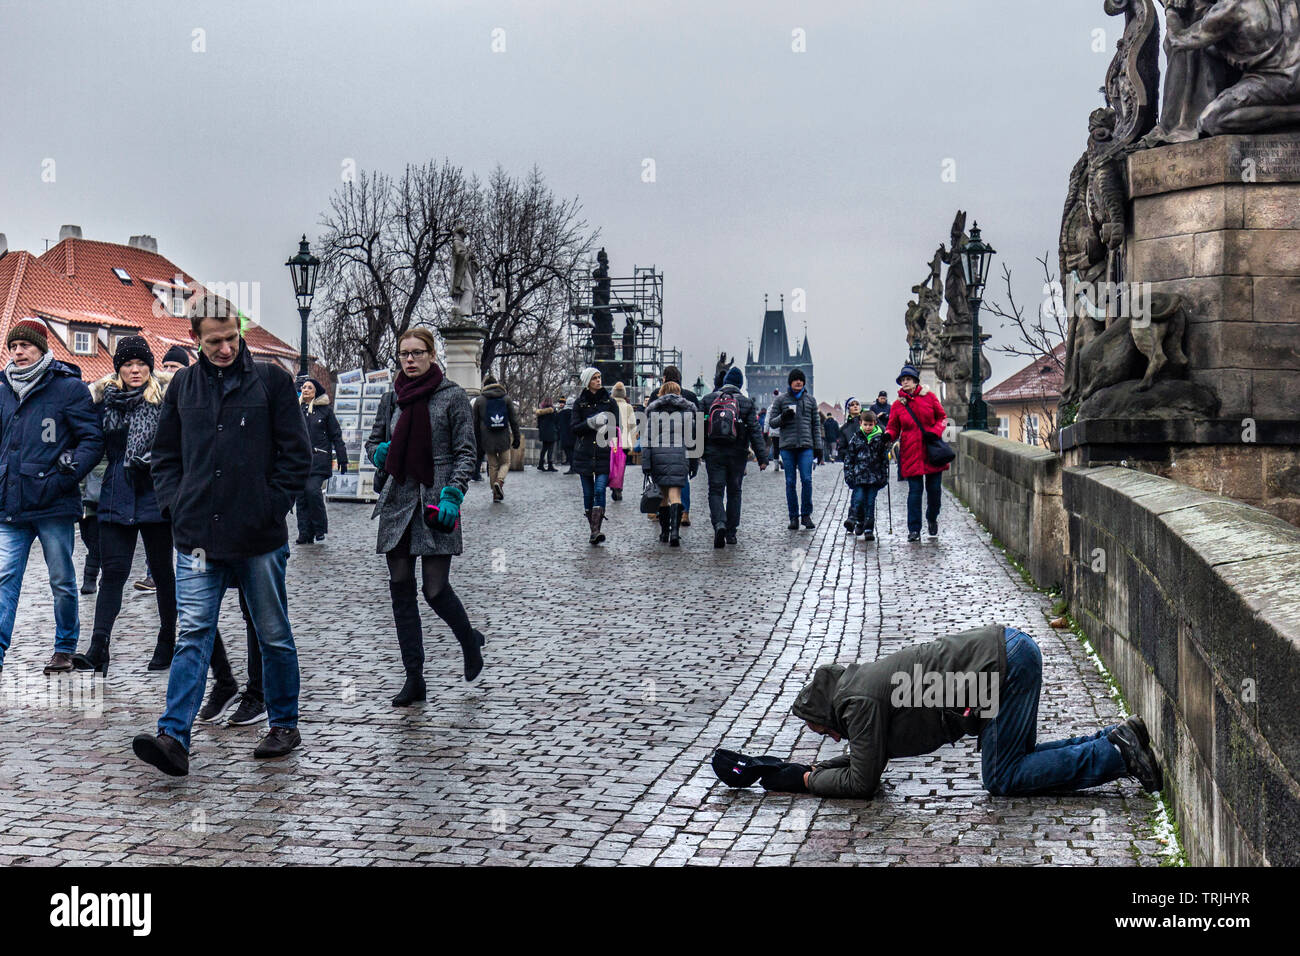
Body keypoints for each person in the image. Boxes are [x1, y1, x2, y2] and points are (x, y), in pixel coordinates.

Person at [132, 295, 311, 776]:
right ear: (195, 340)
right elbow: (164, 455)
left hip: (260, 537)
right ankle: (174, 736)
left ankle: (284, 723)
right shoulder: (183, 387)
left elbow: (297, 456)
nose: (226, 348)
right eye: (215, 341)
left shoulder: (271, 381)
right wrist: (174, 504)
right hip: (196, 534)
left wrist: (272, 505)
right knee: (192, 633)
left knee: (273, 633)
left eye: (232, 338)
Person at [715, 625, 1163, 800]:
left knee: (1002, 777)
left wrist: (807, 780)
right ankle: (1116, 738)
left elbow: (862, 780)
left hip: (1000, 668)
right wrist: (800, 769)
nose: (830, 738)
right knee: (1017, 760)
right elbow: (864, 759)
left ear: (829, 712)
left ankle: (1116, 757)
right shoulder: (856, 689)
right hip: (1006, 653)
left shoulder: (858, 703)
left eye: (822, 730)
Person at [365, 328, 484, 706]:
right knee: (400, 588)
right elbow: (372, 443)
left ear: (433, 355)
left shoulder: (452, 398)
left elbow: (467, 452)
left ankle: (469, 640)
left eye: (417, 353)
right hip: (398, 499)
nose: (410, 360)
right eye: (404, 354)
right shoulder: (391, 399)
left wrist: (454, 493)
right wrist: (380, 453)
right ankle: (414, 677)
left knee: (434, 590)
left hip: (436, 502)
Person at [0, 319, 104, 677]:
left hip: (53, 501)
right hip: (9, 503)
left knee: (60, 578)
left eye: (25, 346)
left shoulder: (68, 389)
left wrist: (69, 472)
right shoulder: (2, 388)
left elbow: (92, 439)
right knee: (3, 576)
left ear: (41, 348)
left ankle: (64, 648)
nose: (18, 352)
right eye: (13, 347)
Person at [70, 337, 178, 675]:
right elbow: (91, 443)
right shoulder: (104, 400)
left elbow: (179, 442)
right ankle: (98, 647)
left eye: (141, 364)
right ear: (118, 368)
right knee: (112, 573)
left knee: (162, 573)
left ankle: (167, 640)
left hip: (156, 492)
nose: (135, 370)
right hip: (117, 492)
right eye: (129, 364)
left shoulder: (165, 398)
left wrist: (157, 461)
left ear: (150, 366)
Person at [697, 365, 768, 548]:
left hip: (714, 454)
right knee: (735, 492)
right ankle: (731, 532)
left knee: (715, 491)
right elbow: (755, 431)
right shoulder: (746, 403)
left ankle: (719, 523)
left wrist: (697, 454)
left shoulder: (707, 400)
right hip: (737, 454)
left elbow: (697, 429)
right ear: (740, 384)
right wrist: (762, 457)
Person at [885, 363, 949, 542]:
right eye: (902, 380)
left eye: (908, 379)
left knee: (934, 491)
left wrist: (935, 432)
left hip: (932, 451)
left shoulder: (929, 397)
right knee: (914, 492)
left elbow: (943, 418)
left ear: (915, 381)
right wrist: (887, 437)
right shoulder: (898, 405)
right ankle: (914, 529)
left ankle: (932, 517)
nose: (905, 382)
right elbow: (893, 427)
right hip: (911, 452)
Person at [641, 381, 697, 547]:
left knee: (663, 498)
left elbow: (647, 441)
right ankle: (675, 532)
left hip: (658, 458)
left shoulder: (652, 413)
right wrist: (694, 464)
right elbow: (693, 442)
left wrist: (646, 464)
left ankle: (664, 532)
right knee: (676, 496)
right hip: (680, 457)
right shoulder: (688, 413)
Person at [768, 368, 823, 530]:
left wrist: (818, 448)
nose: (798, 382)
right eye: (795, 379)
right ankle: (793, 517)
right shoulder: (781, 401)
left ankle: (806, 515)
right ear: (790, 382)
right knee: (790, 482)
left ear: (804, 382)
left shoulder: (811, 401)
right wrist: (783, 417)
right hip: (787, 447)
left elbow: (816, 425)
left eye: (801, 379)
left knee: (807, 480)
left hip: (806, 446)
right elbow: (772, 422)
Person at [296, 377, 349, 543]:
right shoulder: (296, 410)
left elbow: (336, 435)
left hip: (319, 459)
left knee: (312, 491)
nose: (305, 390)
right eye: (303, 387)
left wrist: (342, 458)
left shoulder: (325, 411)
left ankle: (319, 528)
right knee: (301, 496)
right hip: (300, 461)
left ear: (316, 392)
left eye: (309, 388)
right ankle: (305, 533)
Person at [571, 367, 620, 545]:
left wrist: (607, 427)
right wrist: (591, 423)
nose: (598, 381)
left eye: (599, 377)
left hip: (603, 451)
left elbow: (617, 427)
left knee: (599, 490)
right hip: (584, 452)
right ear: (587, 382)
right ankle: (593, 530)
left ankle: (596, 530)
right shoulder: (579, 404)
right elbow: (574, 428)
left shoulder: (610, 402)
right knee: (588, 493)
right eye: (594, 378)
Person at [841, 408, 890, 540]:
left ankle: (869, 528)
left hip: (874, 477)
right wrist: (849, 474)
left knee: (870, 503)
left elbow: (884, 459)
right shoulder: (856, 439)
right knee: (859, 499)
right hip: (859, 477)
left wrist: (884, 475)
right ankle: (857, 520)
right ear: (860, 423)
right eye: (865, 424)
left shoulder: (879, 439)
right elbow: (849, 458)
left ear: (875, 424)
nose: (868, 427)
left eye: (870, 425)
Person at [471, 373, 521, 502]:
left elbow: (474, 423)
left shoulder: (480, 400)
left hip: (487, 438)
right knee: (505, 462)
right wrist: (516, 437)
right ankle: (499, 482)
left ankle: (495, 493)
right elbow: (513, 420)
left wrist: (477, 441)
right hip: (503, 437)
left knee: (492, 465)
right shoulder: (506, 398)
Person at [78, 459, 108, 594]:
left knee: (96, 539)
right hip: (83, 492)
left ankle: (90, 578)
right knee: (87, 537)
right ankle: (105, 569)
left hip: (100, 491)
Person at [609, 381, 637, 502]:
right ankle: (618, 488)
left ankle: (612, 485)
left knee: (611, 465)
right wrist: (633, 443)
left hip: (610, 441)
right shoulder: (628, 407)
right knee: (621, 467)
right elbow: (633, 425)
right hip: (624, 443)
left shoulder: (609, 405)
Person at [535, 398, 559, 471]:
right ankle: (550, 465)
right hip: (551, 432)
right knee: (550, 449)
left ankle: (540, 464)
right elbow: (556, 421)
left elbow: (538, 423)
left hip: (543, 432)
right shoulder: (553, 411)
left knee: (544, 448)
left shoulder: (540, 412)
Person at [557, 396, 577, 474]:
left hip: (564, 435)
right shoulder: (575, 413)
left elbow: (558, 423)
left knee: (568, 452)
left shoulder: (562, 413)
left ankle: (572, 467)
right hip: (573, 435)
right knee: (573, 452)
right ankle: (573, 467)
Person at [765, 390, 782, 471]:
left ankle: (776, 465)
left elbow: (767, 420)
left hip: (774, 431)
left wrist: (765, 431)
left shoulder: (770, 407)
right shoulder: (783, 406)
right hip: (783, 431)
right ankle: (782, 460)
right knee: (783, 447)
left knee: (776, 448)